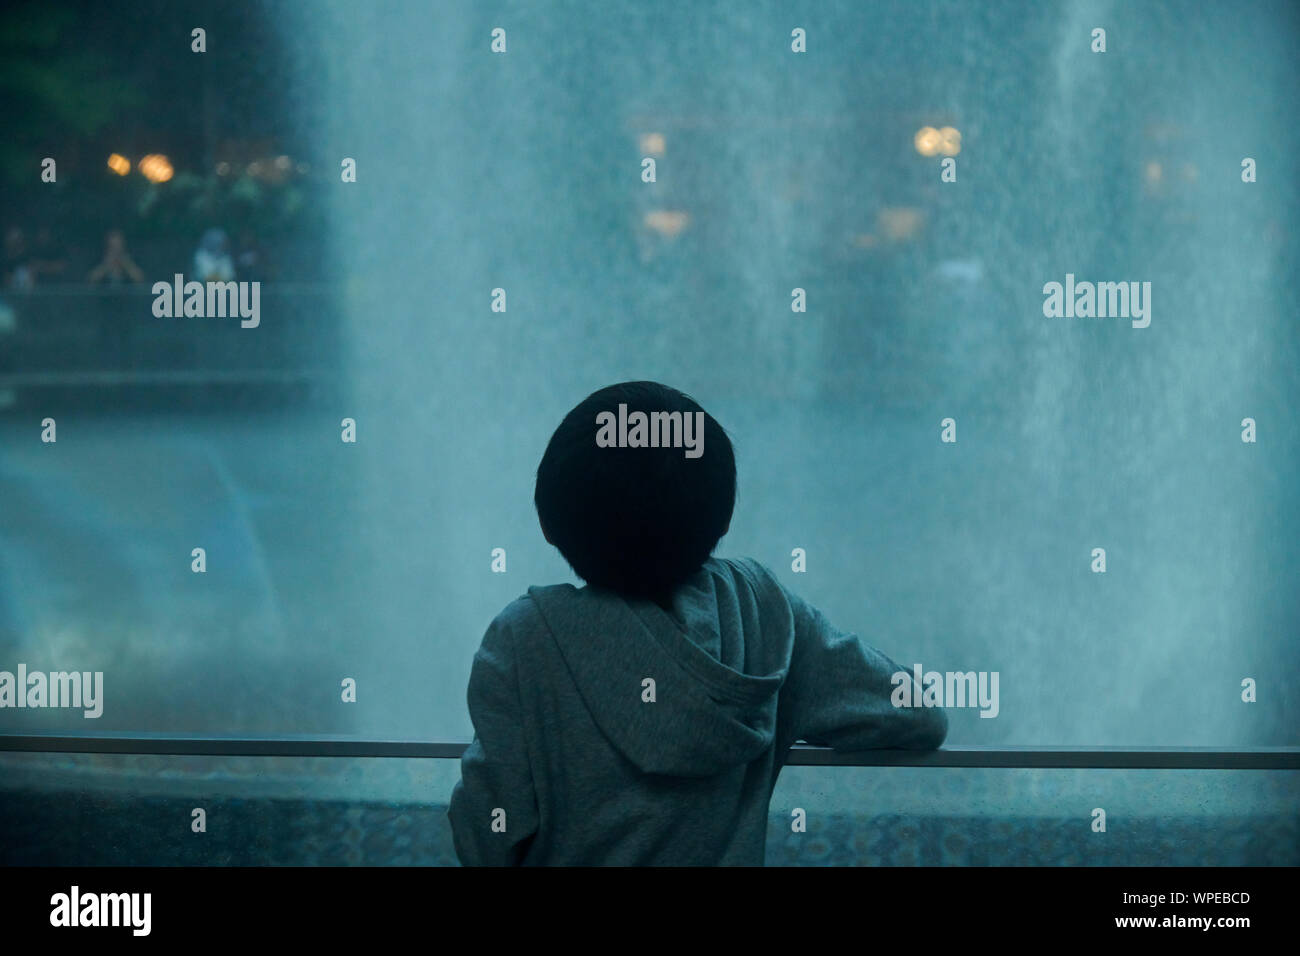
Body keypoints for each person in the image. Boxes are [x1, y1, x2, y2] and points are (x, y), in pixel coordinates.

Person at [448, 381, 948, 866]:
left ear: (550, 519)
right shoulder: (761, 613)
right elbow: (919, 713)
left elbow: (485, 840)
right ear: (721, 518)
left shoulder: (526, 639)